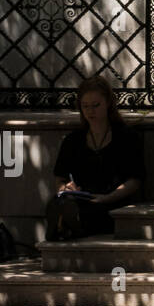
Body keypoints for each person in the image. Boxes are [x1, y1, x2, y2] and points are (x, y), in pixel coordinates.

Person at [47, 75, 145, 240]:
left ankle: (68, 229)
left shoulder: (127, 137)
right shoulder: (73, 140)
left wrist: (107, 198)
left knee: (93, 214)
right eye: (85, 106)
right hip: (82, 202)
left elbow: (135, 180)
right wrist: (66, 189)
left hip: (115, 203)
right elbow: (60, 178)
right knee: (59, 204)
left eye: (96, 105)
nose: (90, 111)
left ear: (108, 103)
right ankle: (66, 227)